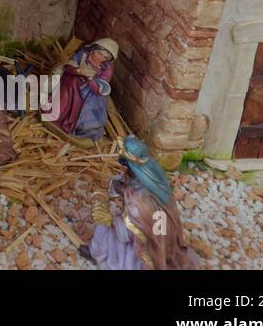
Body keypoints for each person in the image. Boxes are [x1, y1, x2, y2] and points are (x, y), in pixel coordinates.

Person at [81, 136, 199, 270]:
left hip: (146, 243)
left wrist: (110, 220)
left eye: (125, 163)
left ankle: (97, 253)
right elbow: (126, 184)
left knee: (103, 229)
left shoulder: (139, 202)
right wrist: (117, 185)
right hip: (158, 231)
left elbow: (128, 233)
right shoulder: (152, 177)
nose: (123, 167)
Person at [53, 38, 117, 140]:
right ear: (93, 49)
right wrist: (78, 71)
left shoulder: (107, 68)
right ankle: (60, 115)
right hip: (73, 79)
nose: (101, 58)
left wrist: (90, 78)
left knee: (88, 106)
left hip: (91, 90)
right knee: (71, 83)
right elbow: (69, 66)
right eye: (99, 53)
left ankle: (77, 127)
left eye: (106, 57)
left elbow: (100, 88)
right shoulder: (83, 54)